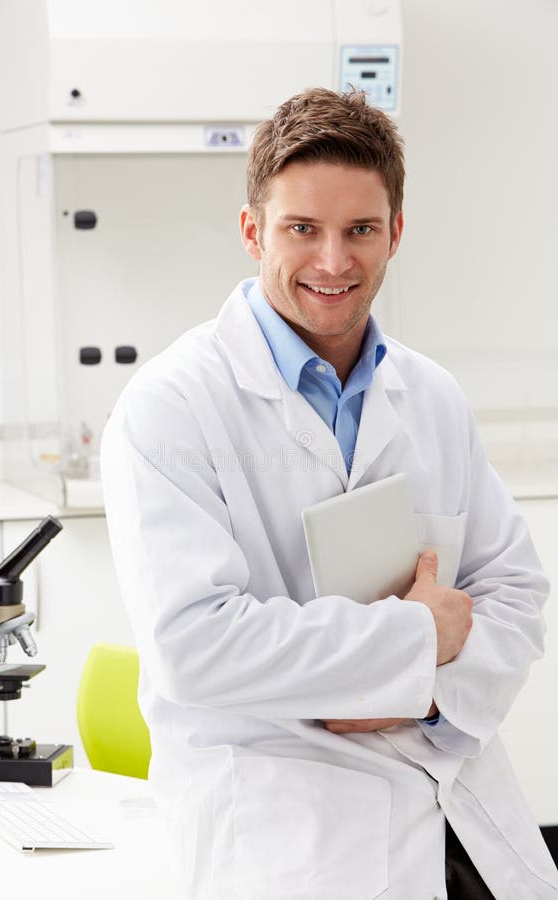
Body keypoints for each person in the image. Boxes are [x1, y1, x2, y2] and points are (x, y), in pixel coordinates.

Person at [101, 88, 558, 899]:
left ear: (396, 233)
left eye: (361, 230)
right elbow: (196, 648)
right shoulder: (171, 406)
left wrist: (419, 699)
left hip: (464, 821)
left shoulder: (433, 396)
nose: (334, 262)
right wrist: (419, 640)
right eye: (302, 229)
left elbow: (515, 594)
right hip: (288, 843)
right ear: (252, 232)